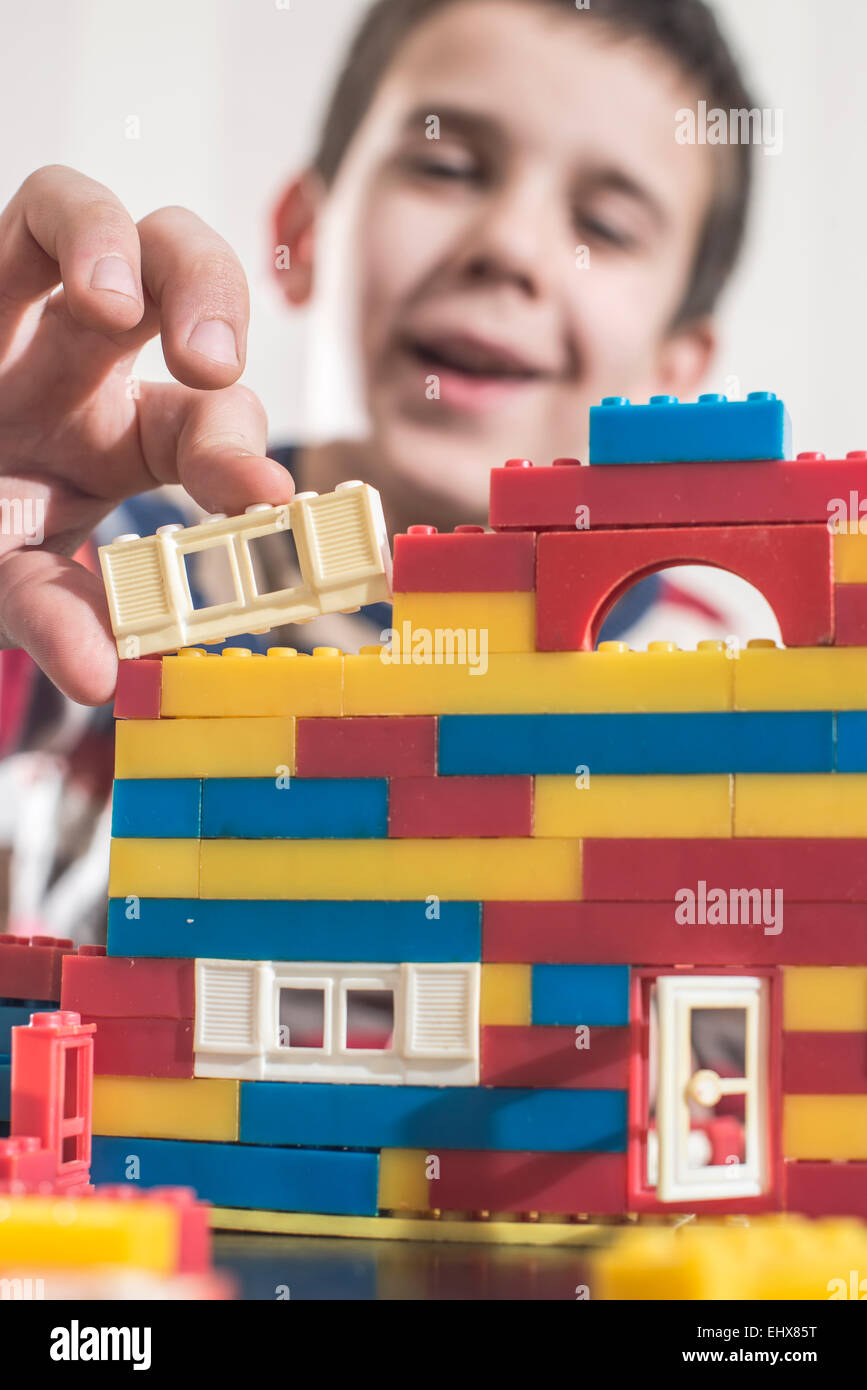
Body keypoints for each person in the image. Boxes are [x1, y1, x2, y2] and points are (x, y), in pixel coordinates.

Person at [0, 0, 758, 938]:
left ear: (673, 369)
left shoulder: (716, 692)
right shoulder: (91, 576)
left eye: (603, 224)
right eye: (444, 166)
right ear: (305, 236)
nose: (511, 248)